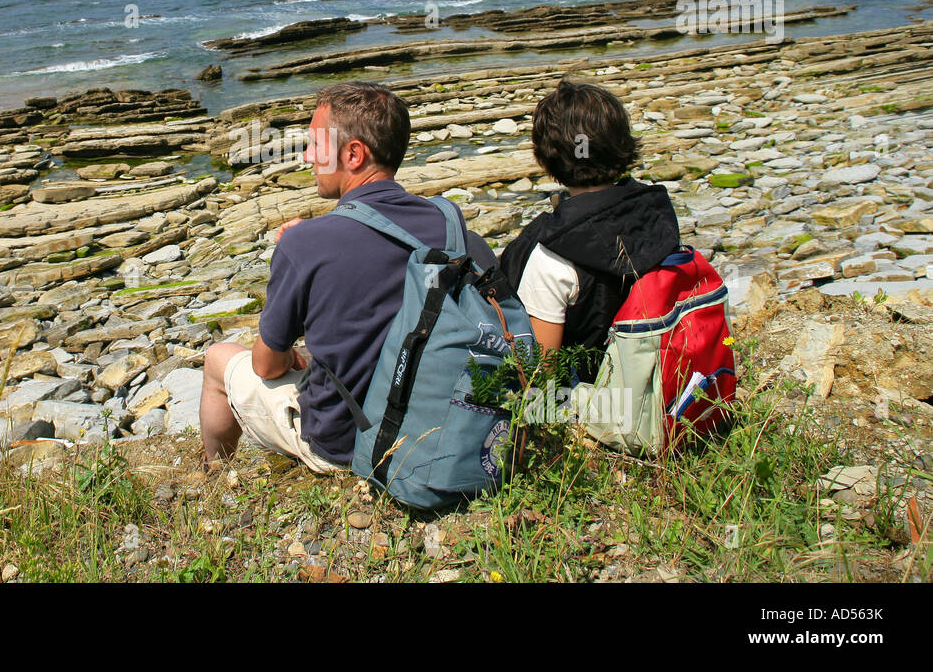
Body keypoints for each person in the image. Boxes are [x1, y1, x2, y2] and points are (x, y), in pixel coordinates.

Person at [199, 81, 497, 471]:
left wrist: (296, 262)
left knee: (218, 359)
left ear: (354, 154)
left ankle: (214, 474)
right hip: (441, 429)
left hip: (347, 445)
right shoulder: (450, 224)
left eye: (315, 145)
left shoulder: (304, 243)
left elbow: (266, 366)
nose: (307, 157)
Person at [497, 77, 681, 380]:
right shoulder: (657, 215)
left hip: (596, 403)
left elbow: (539, 375)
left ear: (546, 157)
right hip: (665, 384)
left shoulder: (552, 256)